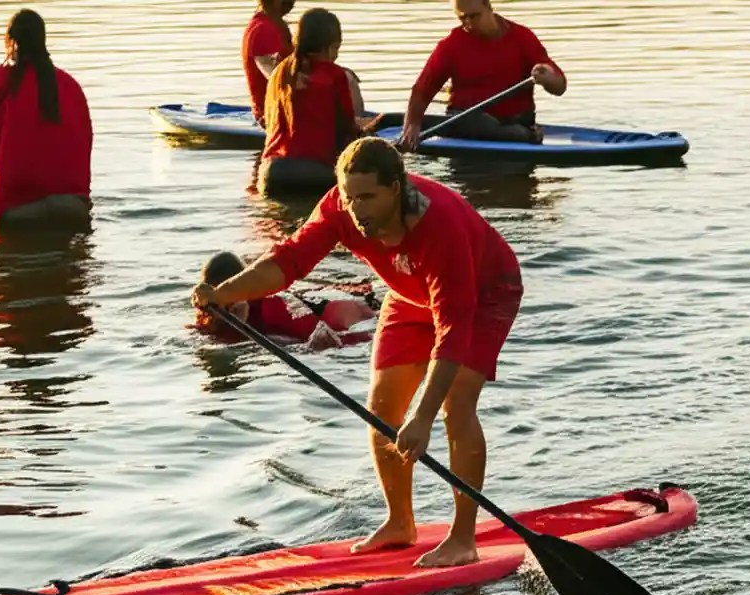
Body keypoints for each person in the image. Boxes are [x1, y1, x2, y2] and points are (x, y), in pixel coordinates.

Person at [191, 137, 524, 568]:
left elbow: (454, 333)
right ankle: (400, 523)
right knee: (383, 410)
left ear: (397, 188)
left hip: (485, 294)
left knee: (455, 407)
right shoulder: (338, 208)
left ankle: (463, 539)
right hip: (409, 296)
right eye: (350, 197)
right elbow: (288, 262)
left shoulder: (439, 226)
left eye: (368, 197)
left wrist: (422, 418)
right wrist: (222, 292)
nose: (357, 209)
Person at [0, 9, 92, 225]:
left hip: (17, 209)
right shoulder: (71, 86)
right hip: (72, 207)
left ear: (10, 42)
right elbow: (85, 142)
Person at [397, 0, 565, 148]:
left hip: (516, 120)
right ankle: (520, 136)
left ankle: (519, 134)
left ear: (488, 6)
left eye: (474, 16)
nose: (469, 23)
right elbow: (422, 89)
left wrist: (548, 77)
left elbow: (560, 87)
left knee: (484, 124)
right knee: (473, 122)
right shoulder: (451, 45)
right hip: (466, 120)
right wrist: (412, 124)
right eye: (463, 18)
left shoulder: (522, 37)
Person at [258, 8, 372, 195]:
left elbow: (270, 121)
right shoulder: (335, 75)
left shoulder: (279, 72)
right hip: (315, 173)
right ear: (326, 47)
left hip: (271, 172)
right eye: (336, 48)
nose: (336, 56)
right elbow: (345, 131)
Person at [194, 251, 376, 350]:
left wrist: (242, 326)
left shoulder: (272, 307)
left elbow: (325, 341)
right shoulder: (210, 312)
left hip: (346, 312)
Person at [241, 0, 295, 127]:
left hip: (281, 112)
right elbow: (278, 81)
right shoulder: (263, 31)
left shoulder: (272, 25)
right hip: (273, 117)